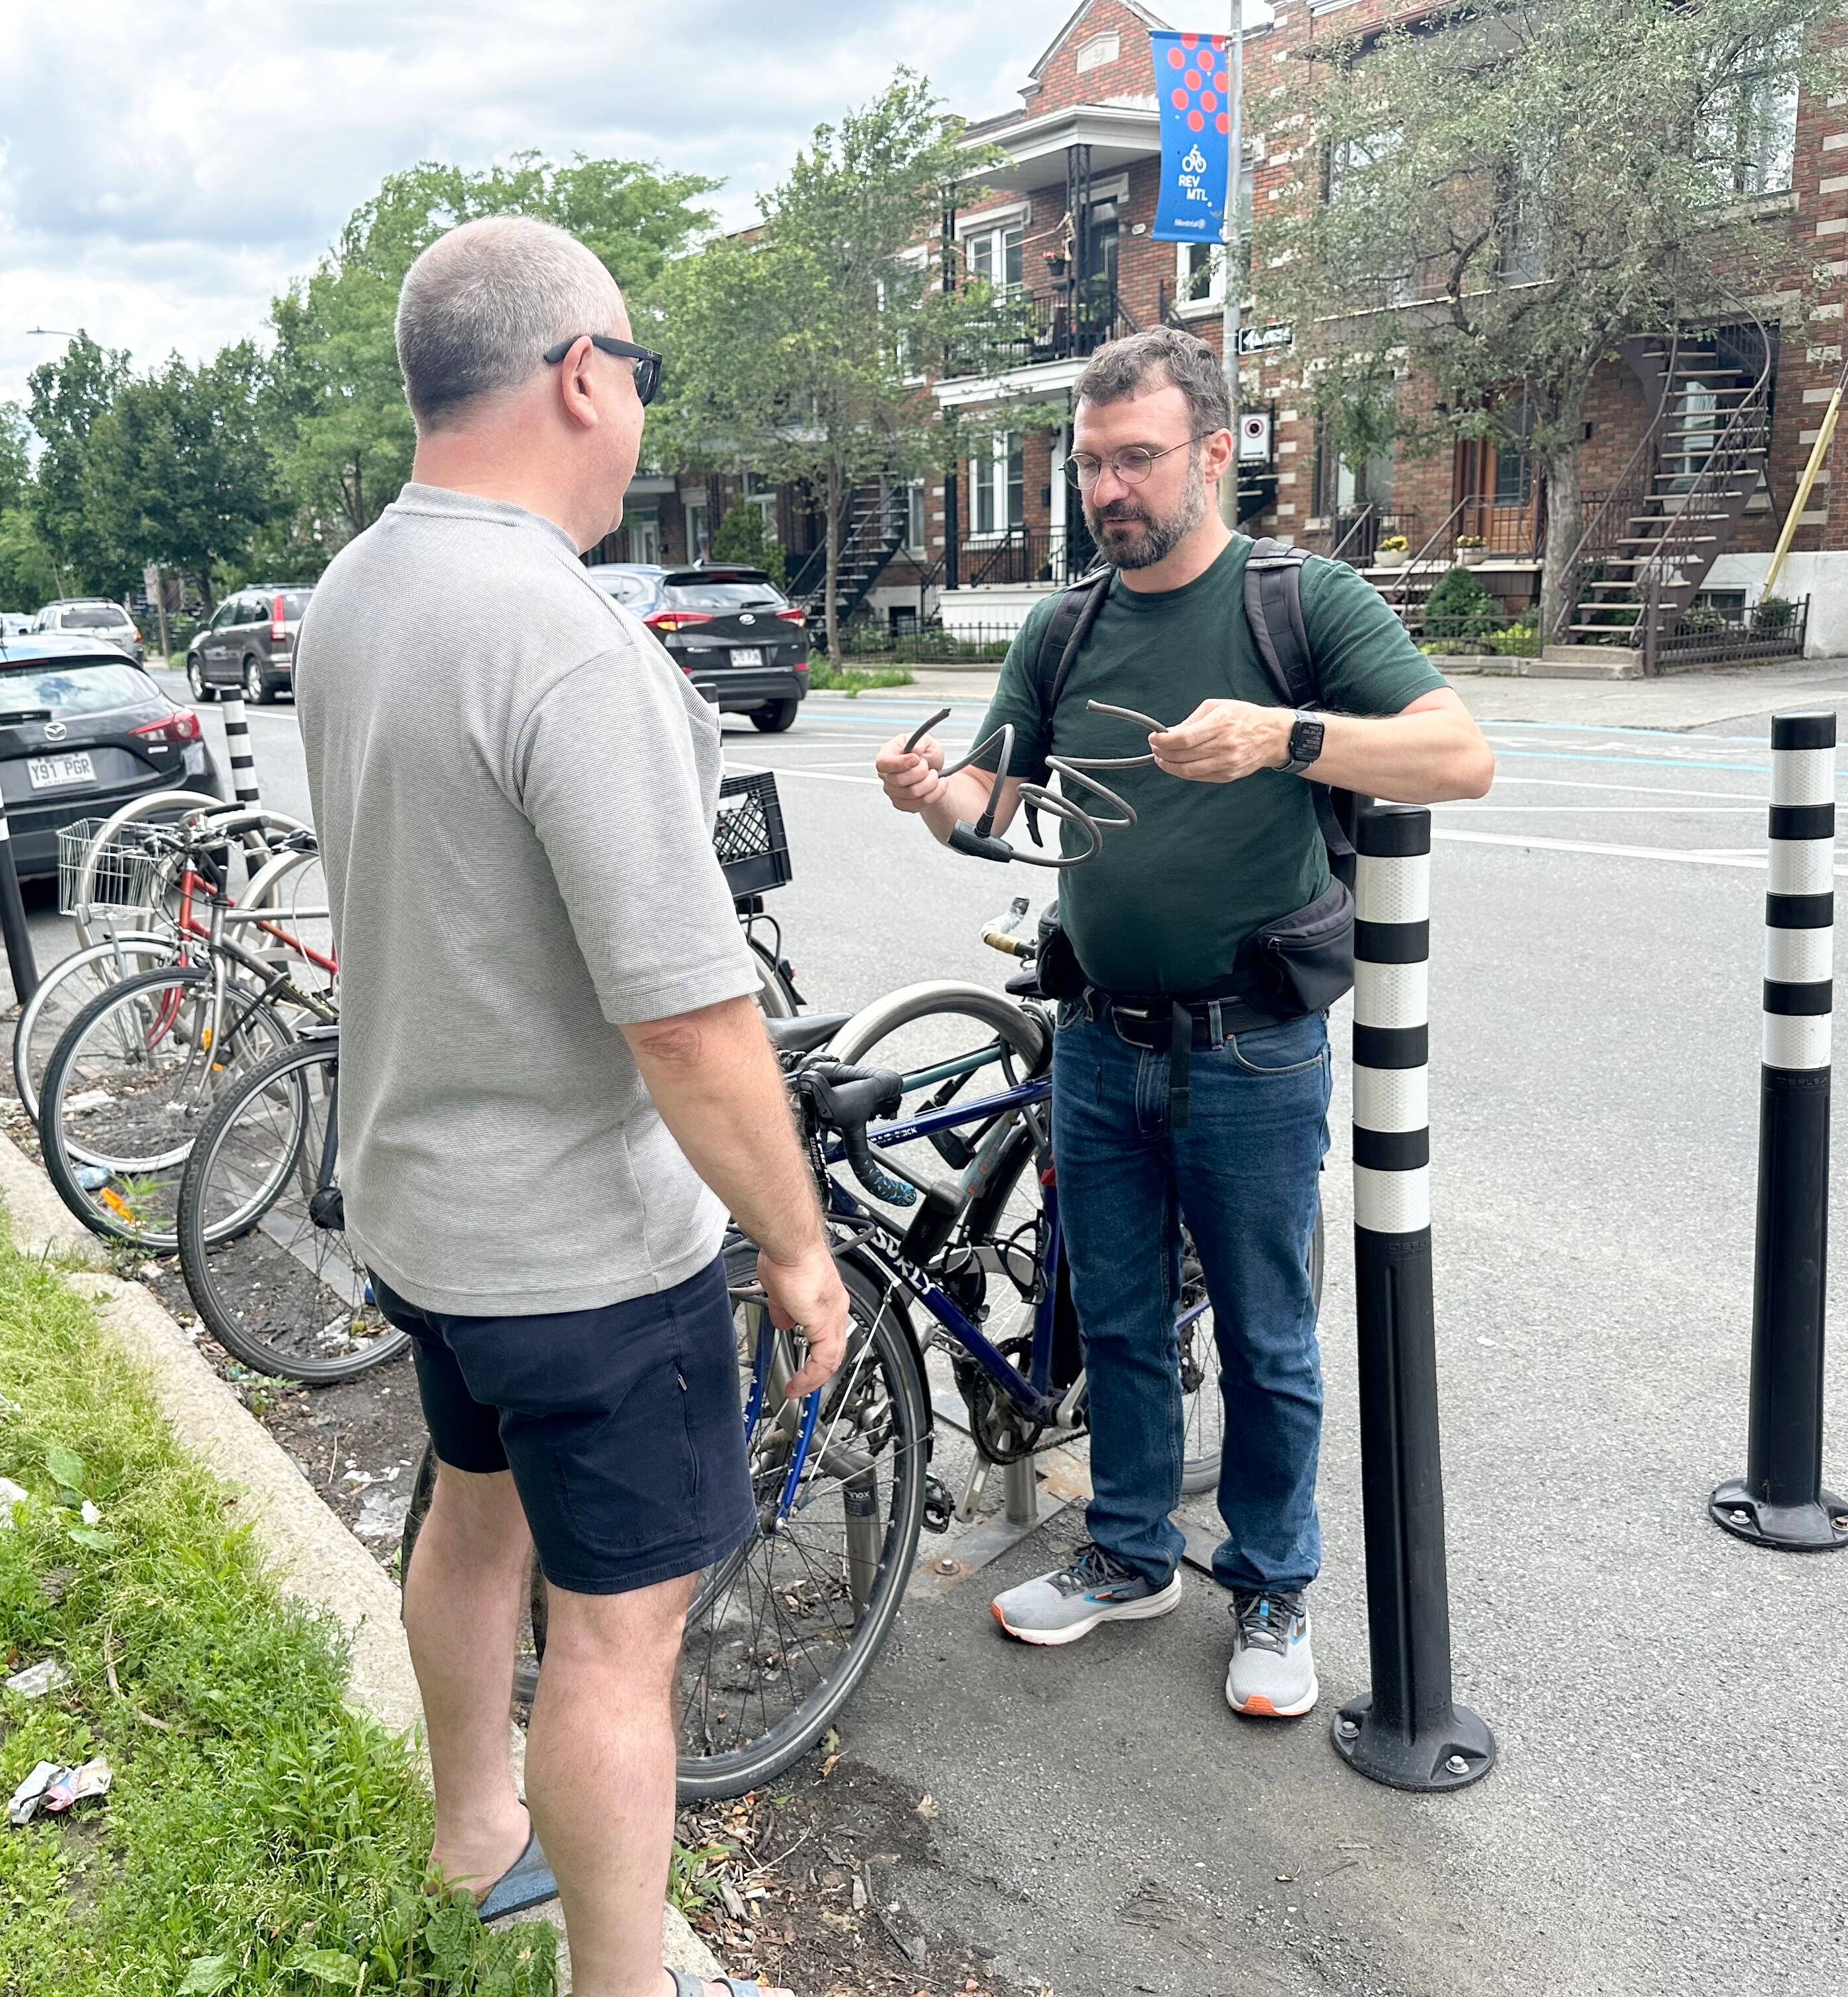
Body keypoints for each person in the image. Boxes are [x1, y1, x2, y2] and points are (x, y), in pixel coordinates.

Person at [297, 215, 845, 1997]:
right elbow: (689, 1024)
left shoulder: (359, 589)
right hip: (588, 1262)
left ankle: (475, 1836)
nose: (639, 415)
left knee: (472, 1518)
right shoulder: (561, 640)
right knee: (619, 1645)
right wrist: (798, 1250)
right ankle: (617, 1983)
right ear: (581, 373)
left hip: (428, 1218)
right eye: (640, 376)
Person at [873, 326, 1493, 1719]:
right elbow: (993, 802)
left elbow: (1462, 755)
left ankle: (1270, 1584)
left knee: (1269, 1335)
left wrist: (1286, 736)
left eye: (1136, 458)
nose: (1108, 489)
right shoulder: (1064, 626)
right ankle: (1129, 1551)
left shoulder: (1302, 605)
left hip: (1253, 1046)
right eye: (1089, 463)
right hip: (1099, 1039)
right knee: (1124, 1321)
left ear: (1215, 454)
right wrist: (933, 795)